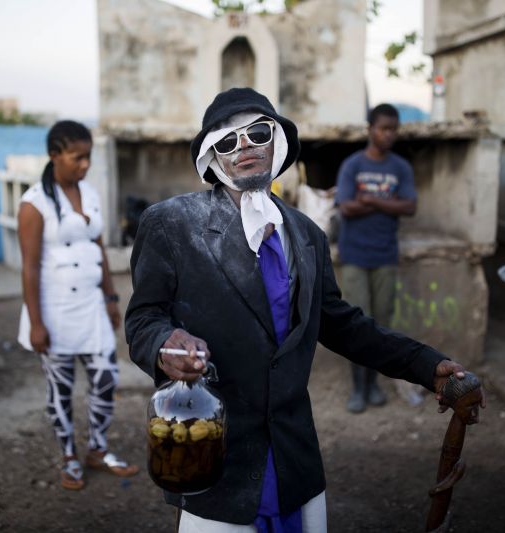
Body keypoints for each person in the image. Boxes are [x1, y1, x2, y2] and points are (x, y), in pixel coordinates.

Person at [125, 88, 484, 532]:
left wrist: (426, 365)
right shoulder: (171, 223)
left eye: (257, 134)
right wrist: (164, 344)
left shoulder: (306, 233)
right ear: (212, 157)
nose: (245, 149)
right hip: (215, 451)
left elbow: (340, 323)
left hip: (293, 453)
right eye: (227, 142)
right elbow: (144, 319)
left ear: (276, 140)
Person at [17, 120, 138, 491]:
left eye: (88, 157)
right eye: (77, 157)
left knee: (105, 379)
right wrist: (37, 323)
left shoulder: (90, 193)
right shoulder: (34, 204)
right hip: (54, 310)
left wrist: (112, 297)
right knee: (61, 389)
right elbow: (29, 267)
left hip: (91, 306)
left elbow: (97, 249)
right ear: (55, 155)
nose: (84, 165)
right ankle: (69, 455)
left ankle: (97, 449)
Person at [334, 103, 417, 413]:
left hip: (385, 255)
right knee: (358, 323)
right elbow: (345, 207)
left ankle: (374, 385)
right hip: (355, 254)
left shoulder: (400, 167)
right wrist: (384, 201)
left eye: (394, 129)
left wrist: (367, 198)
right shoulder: (352, 165)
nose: (389, 135)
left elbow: (410, 207)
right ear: (370, 129)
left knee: (381, 323)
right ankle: (358, 388)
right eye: (383, 128)